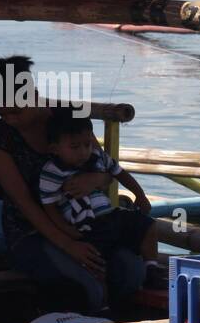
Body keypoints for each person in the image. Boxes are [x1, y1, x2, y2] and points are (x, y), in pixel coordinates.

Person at [0, 55, 144, 314]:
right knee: (83, 285)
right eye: (2, 113)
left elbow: (104, 168)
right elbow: (24, 203)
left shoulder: (70, 118)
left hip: (89, 224)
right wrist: (68, 245)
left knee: (131, 270)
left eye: (16, 111)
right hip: (31, 231)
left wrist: (96, 179)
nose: (10, 119)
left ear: (33, 95)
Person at [39, 112, 160, 287]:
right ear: (54, 149)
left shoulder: (98, 158)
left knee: (148, 225)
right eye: (74, 147)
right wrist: (65, 229)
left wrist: (140, 195)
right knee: (95, 262)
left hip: (111, 215)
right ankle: (102, 296)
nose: (83, 152)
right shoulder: (52, 171)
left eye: (87, 144)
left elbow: (120, 173)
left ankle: (152, 268)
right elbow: (49, 205)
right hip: (86, 226)